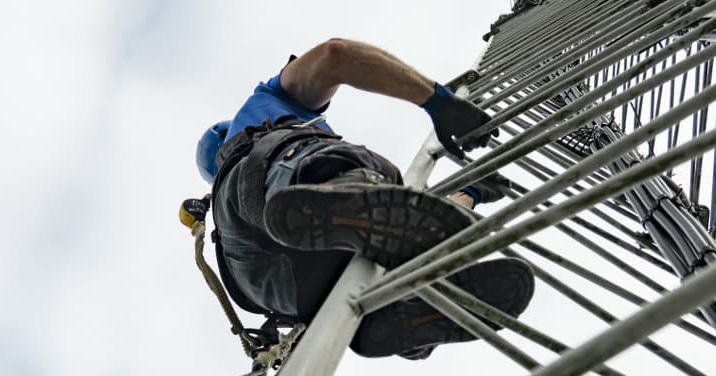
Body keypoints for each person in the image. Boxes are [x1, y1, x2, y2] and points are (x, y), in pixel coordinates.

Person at [195, 38, 535, 359]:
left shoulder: (332, 215)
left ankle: (400, 308)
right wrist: (439, 102)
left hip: (268, 282)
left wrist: (470, 194)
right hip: (276, 182)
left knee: (388, 234)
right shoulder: (266, 109)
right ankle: (411, 291)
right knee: (370, 175)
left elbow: (412, 223)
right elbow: (335, 55)